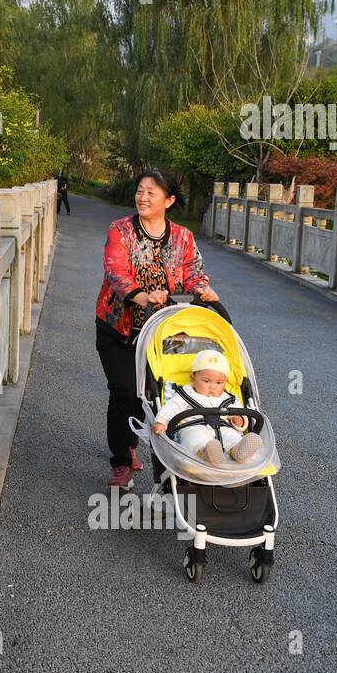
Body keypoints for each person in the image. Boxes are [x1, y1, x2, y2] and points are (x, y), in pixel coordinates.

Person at [94, 168, 219, 489]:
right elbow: (115, 271)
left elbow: (194, 271)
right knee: (124, 391)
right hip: (119, 328)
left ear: (169, 200)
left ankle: (139, 446)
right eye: (140, 190)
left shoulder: (182, 237)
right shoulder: (120, 230)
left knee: (154, 393)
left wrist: (203, 288)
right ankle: (121, 461)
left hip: (166, 332)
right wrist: (141, 295)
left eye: (151, 192)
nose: (143, 197)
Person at [150, 349, 262, 465]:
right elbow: (171, 408)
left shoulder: (228, 398)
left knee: (232, 437)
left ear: (225, 382)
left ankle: (237, 451)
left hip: (223, 428)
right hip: (193, 427)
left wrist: (240, 420)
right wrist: (161, 421)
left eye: (219, 383)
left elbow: (241, 412)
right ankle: (204, 453)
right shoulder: (185, 394)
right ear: (192, 378)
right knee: (194, 438)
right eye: (206, 381)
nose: (212, 387)